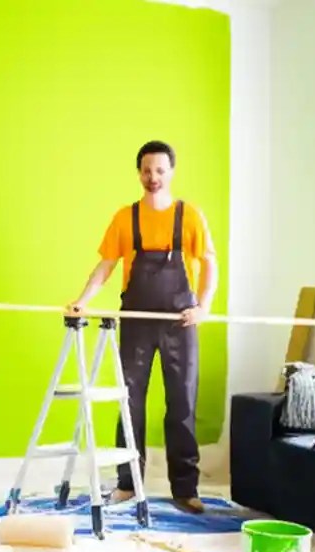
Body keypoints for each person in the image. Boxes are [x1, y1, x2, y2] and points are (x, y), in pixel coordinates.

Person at [67, 140, 218, 515]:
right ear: (139, 173)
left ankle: (186, 489)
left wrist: (203, 307)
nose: (153, 178)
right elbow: (106, 265)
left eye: (160, 171)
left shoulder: (190, 216)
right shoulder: (125, 217)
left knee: (182, 403)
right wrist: (83, 299)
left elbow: (210, 262)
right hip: (135, 320)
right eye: (147, 171)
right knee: (128, 400)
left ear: (171, 172)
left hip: (180, 323)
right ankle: (126, 484)